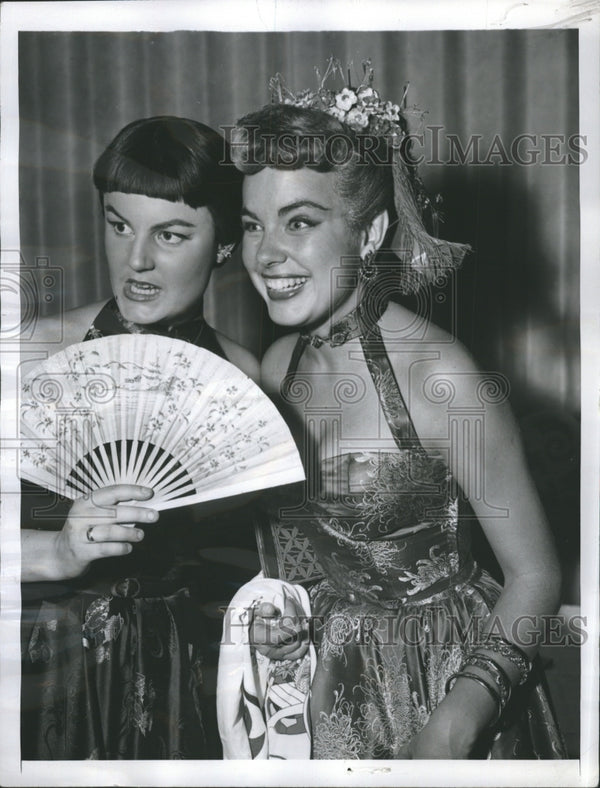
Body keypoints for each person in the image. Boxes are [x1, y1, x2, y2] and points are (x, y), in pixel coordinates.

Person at [222, 74, 567, 759]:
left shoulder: (442, 378)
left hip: (444, 680)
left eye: (300, 222)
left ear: (370, 231)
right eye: (254, 224)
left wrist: (459, 719)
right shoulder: (276, 366)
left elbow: (536, 577)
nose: (265, 254)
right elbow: (295, 555)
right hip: (320, 688)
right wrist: (279, 618)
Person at [20, 116, 260, 759]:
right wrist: (57, 553)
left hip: (189, 679)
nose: (136, 260)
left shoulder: (247, 379)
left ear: (224, 245)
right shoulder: (31, 354)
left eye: (171, 234)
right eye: (118, 224)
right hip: (47, 671)